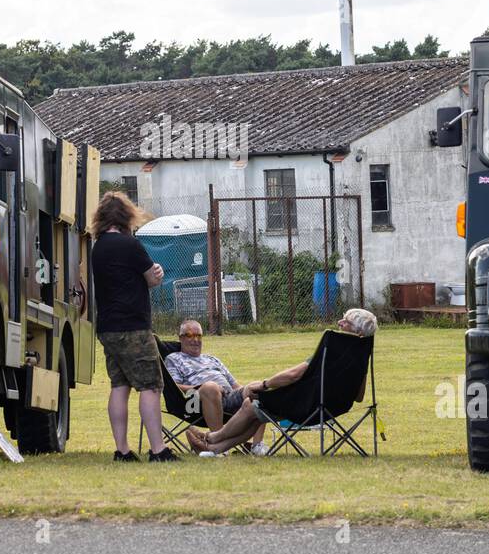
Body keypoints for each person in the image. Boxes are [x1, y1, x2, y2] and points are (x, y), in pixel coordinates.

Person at [185, 308, 377, 456]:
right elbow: (358, 397)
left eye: (346, 321)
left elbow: (294, 375)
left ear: (358, 332)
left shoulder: (332, 348)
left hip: (306, 406)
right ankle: (214, 450)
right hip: (335, 408)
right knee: (255, 410)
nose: (340, 322)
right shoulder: (360, 357)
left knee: (252, 404)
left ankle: (211, 437)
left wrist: (266, 384)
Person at [89, 191, 179, 462]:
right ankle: (157, 449)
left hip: (107, 328)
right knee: (150, 386)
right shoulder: (131, 246)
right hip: (134, 327)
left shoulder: (98, 248)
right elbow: (152, 279)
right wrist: (158, 273)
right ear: (128, 216)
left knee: (119, 386)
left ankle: (123, 450)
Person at [164, 319, 266, 452]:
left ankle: (257, 446)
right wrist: (202, 387)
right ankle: (219, 445)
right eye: (190, 335)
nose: (195, 339)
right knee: (210, 387)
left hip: (228, 396)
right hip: (195, 401)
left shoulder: (212, 359)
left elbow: (236, 386)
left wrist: (249, 390)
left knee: (257, 387)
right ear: (180, 338)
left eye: (199, 335)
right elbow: (175, 386)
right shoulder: (174, 359)